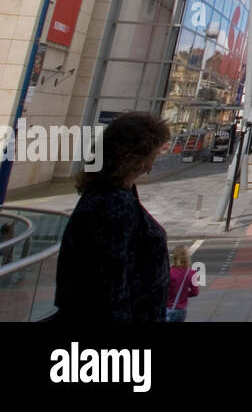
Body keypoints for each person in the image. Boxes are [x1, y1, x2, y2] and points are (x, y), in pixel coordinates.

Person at [54, 112, 172, 322]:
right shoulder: (114, 203)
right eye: (156, 150)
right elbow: (110, 284)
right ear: (136, 157)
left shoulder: (112, 193)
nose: (159, 155)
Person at [166, 244, 200, 322]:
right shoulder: (193, 272)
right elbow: (195, 292)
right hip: (182, 310)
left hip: (169, 308)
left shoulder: (169, 272)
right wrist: (184, 294)